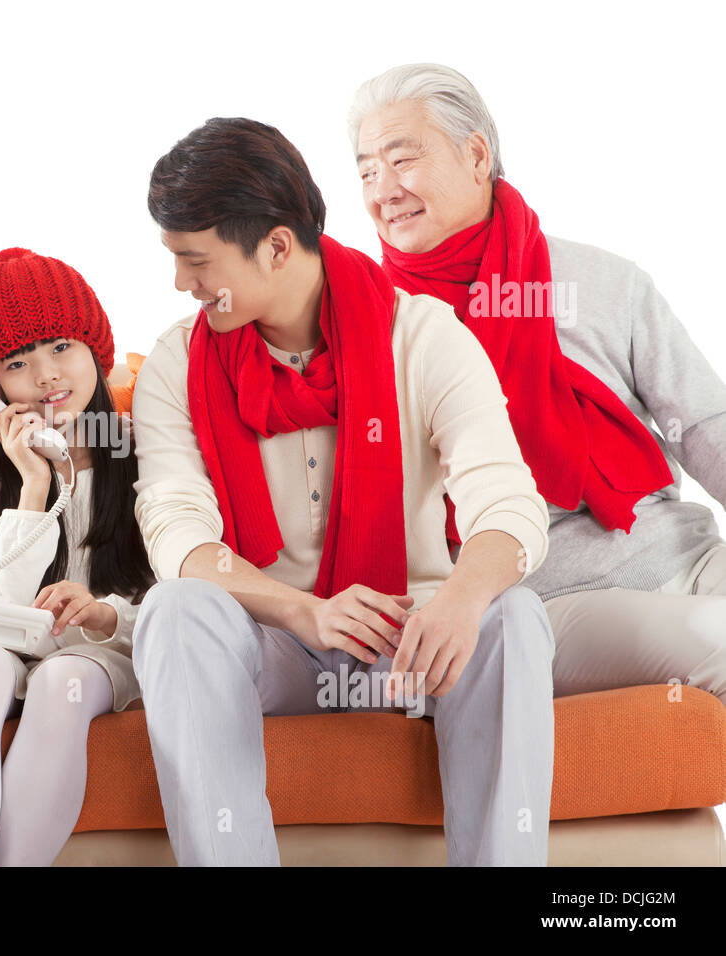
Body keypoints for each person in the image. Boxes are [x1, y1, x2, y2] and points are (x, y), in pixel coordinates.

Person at [130, 117, 556, 866]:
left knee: (512, 616)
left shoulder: (424, 336)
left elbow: (507, 500)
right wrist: (308, 612)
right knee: (174, 609)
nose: (180, 284)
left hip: (409, 640)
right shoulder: (175, 365)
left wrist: (459, 600)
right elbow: (176, 533)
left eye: (195, 261)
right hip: (276, 644)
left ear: (277, 246)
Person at [349, 63, 726, 706]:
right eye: (365, 171)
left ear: (475, 156)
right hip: (548, 603)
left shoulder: (602, 282)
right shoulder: (370, 327)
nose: (383, 189)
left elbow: (700, 424)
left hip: (689, 557)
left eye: (400, 160)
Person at [0, 248, 156, 866]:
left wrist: (105, 614)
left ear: (94, 348)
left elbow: (179, 605)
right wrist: (32, 486)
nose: (47, 377)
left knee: (62, 680)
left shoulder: (146, 454)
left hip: (106, 649)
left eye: (60, 348)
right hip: (11, 647)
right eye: (17, 364)